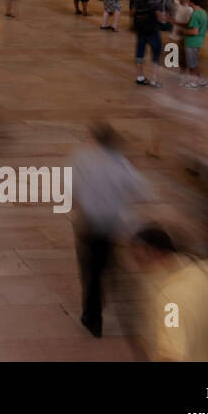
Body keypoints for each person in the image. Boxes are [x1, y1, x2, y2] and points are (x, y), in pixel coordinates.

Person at [72, 122, 148, 337]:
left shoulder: (83, 160)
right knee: (104, 265)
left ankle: (92, 315)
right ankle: (102, 301)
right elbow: (141, 190)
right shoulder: (121, 164)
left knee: (90, 270)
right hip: (113, 225)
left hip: (89, 224)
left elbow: (71, 186)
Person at [131, 227, 208, 361]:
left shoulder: (169, 301)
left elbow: (171, 352)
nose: (137, 263)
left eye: (139, 257)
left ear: (156, 253)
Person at [133, 0, 167, 91]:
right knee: (156, 55)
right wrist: (165, 19)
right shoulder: (156, 2)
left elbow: (133, 12)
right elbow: (159, 17)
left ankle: (140, 77)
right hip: (152, 30)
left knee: (140, 52)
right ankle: (154, 79)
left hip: (140, 29)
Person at [179, 0, 208, 88]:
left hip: (192, 42)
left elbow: (194, 31)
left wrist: (183, 31)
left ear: (192, 2)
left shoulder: (195, 14)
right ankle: (200, 80)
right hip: (199, 41)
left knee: (192, 64)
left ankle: (193, 82)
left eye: (188, 0)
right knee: (195, 62)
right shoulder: (203, 12)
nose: (187, 2)